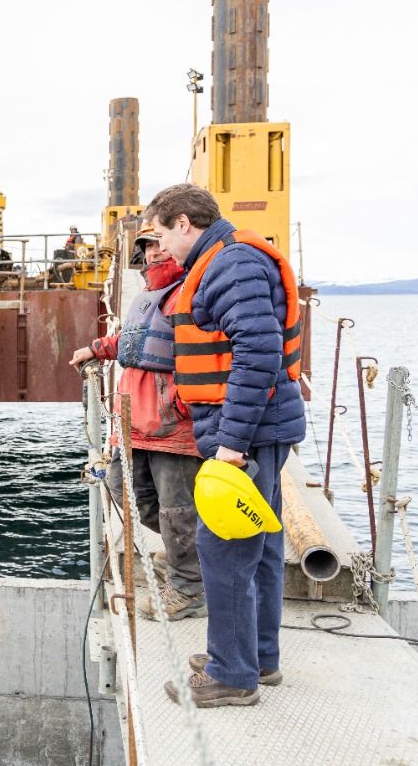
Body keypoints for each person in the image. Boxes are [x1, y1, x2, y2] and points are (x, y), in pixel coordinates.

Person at [142, 183, 305, 709]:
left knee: (224, 548)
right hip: (260, 428)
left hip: (247, 434)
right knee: (259, 542)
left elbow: (257, 353)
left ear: (184, 223)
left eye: (163, 233)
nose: (161, 246)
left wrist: (231, 443)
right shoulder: (225, 260)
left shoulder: (229, 265)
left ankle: (231, 676)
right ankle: (258, 657)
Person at [68, 227, 206, 620]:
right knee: (127, 493)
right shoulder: (147, 297)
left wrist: (181, 406)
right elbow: (135, 340)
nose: (152, 254)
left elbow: (206, 355)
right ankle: (191, 557)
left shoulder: (190, 293)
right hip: (136, 423)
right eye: (146, 248)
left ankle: (188, 589)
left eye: (159, 245)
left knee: (177, 511)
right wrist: (96, 349)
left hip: (171, 427)